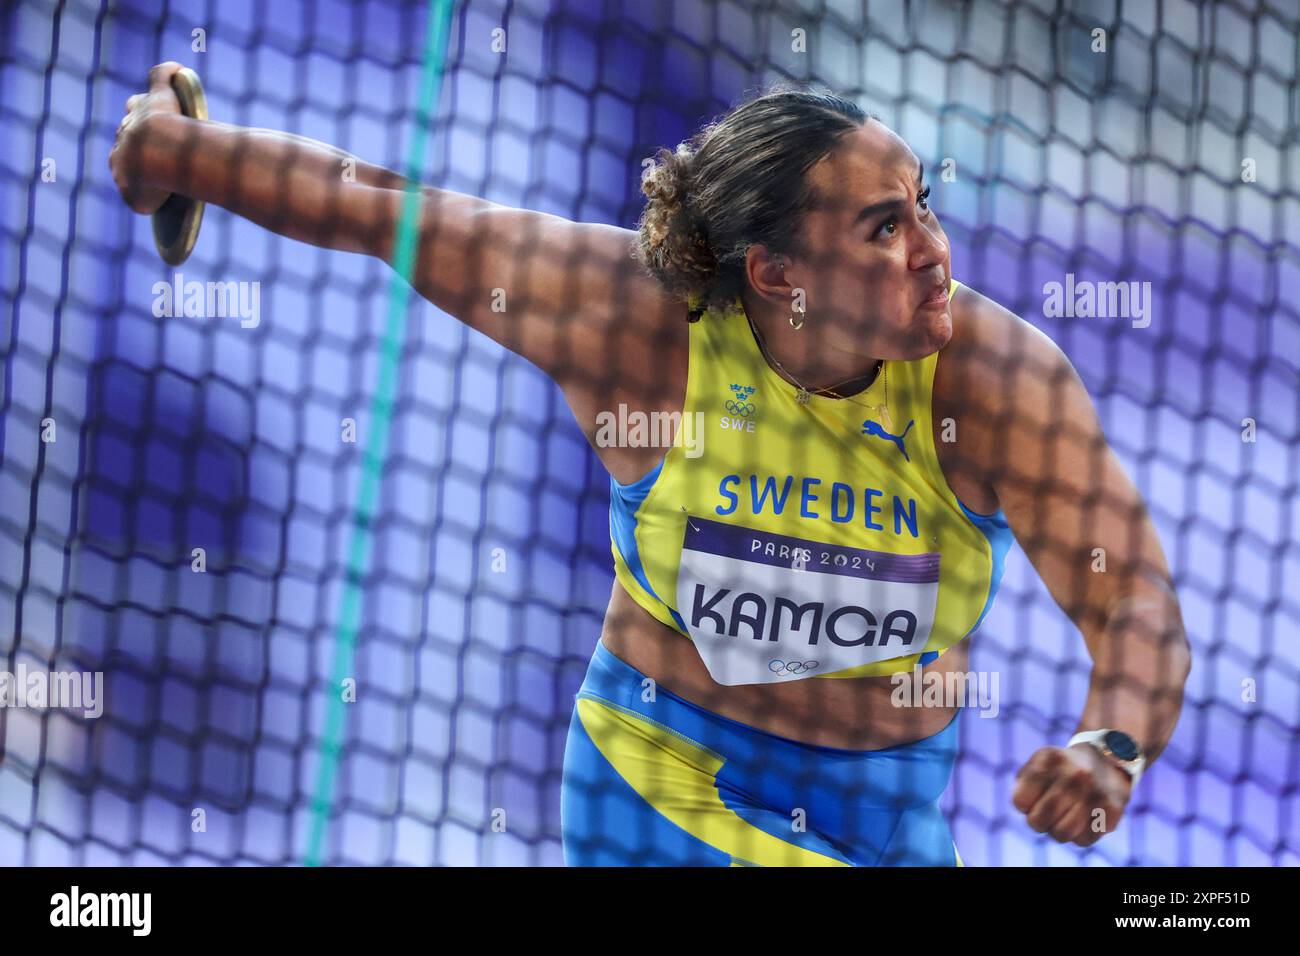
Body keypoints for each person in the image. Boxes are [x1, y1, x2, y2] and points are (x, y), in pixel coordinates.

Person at [111, 64, 1190, 866]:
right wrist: (174, 154)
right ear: (774, 271)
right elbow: (386, 210)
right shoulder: (631, 326)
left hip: (890, 814)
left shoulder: (994, 382)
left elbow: (1133, 596)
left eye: (924, 206)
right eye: (882, 228)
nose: (932, 249)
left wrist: (1111, 741)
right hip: (661, 781)